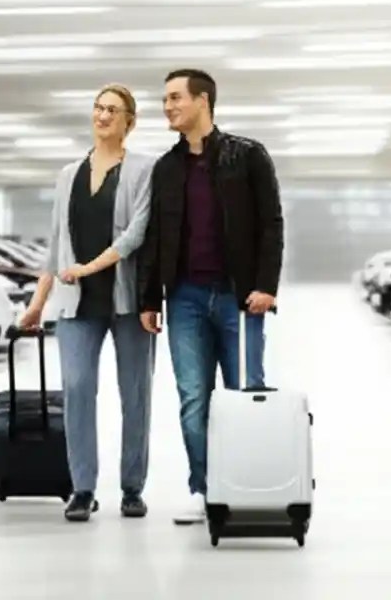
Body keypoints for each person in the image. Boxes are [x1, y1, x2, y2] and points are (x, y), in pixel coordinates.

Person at [136, 68, 285, 525]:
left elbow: (271, 224)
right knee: (193, 396)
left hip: (241, 298)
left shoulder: (249, 156)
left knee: (245, 394)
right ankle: (204, 489)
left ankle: (246, 485)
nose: (168, 106)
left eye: (175, 98)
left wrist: (266, 286)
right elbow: (155, 236)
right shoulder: (166, 168)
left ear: (203, 101)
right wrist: (149, 299)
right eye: (165, 100)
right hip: (185, 299)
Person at [18, 83, 157, 522]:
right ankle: (82, 488)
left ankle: (132, 487)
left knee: (135, 394)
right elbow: (56, 246)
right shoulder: (67, 175)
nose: (102, 116)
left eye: (112, 110)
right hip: (75, 303)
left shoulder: (144, 170)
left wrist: (88, 267)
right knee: (77, 389)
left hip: (128, 300)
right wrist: (38, 304)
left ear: (129, 122)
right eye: (98, 108)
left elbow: (135, 235)